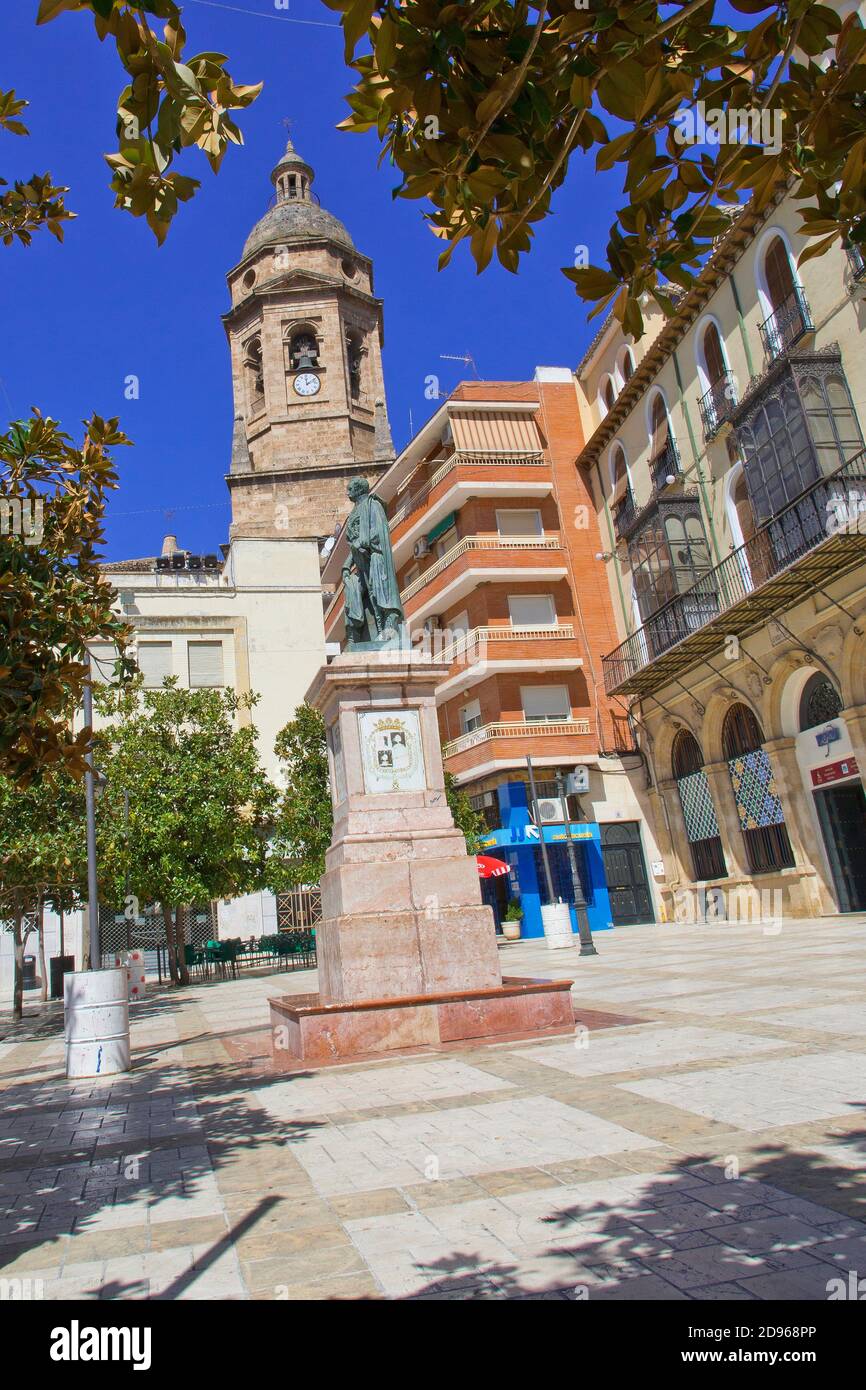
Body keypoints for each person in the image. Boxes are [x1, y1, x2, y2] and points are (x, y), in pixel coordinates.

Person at [342, 476, 405, 646]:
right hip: (360, 561)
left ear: (359, 490)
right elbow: (352, 542)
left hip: (376, 557)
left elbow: (378, 531)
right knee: (357, 595)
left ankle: (388, 629)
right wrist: (347, 564)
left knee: (379, 593)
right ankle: (364, 634)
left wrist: (363, 543)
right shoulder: (354, 512)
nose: (347, 492)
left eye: (350, 489)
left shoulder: (373, 505)